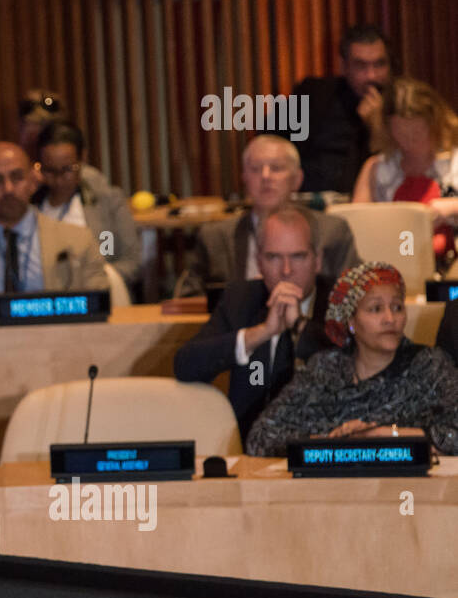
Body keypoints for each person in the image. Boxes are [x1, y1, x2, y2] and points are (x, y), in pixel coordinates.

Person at [246, 262, 458, 456]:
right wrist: (337, 443)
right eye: (375, 309)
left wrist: (389, 435)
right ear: (350, 322)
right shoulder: (325, 368)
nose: (390, 319)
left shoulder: (430, 365)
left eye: (397, 307)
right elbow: (261, 437)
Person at [174, 208, 335, 439]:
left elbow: (354, 366)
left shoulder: (340, 300)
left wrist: (300, 325)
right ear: (259, 262)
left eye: (298, 256)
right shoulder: (240, 298)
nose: (286, 271)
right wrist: (260, 333)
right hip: (251, 450)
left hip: (324, 449)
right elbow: (185, 365)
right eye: (273, 257)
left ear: (317, 261)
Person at [174, 134, 360, 297]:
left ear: (297, 179)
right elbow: (188, 301)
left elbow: (356, 294)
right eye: (255, 169)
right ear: (244, 178)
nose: (265, 176)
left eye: (276, 168)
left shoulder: (332, 232)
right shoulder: (215, 237)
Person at [0, 141, 107, 311]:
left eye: (17, 177)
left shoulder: (78, 240)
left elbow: (98, 308)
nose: (8, 189)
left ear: (33, 182)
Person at [32, 120, 140, 290]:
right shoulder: (31, 208)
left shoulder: (107, 201)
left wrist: (102, 283)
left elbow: (132, 261)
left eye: (67, 169)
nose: (59, 179)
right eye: (50, 171)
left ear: (83, 158)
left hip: (101, 293)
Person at [291, 23, 392, 194]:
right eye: (361, 66)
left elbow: (398, 169)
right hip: (310, 204)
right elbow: (271, 142)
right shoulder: (314, 95)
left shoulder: (400, 105)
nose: (371, 76)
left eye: (379, 64)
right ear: (344, 67)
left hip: (374, 205)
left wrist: (377, 126)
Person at [352, 76, 458, 203]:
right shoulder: (377, 168)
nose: (410, 141)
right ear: (387, 130)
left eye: (417, 132)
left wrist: (452, 209)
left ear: (436, 124)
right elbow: (357, 218)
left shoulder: (454, 162)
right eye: (401, 133)